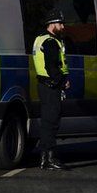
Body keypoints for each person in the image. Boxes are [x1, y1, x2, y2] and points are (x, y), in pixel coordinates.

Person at [33, 9, 69, 170]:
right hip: (51, 86)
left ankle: (45, 158)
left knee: (48, 122)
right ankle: (48, 158)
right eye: (60, 23)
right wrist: (62, 81)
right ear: (52, 24)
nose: (62, 26)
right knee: (51, 123)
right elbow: (51, 66)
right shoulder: (50, 42)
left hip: (44, 85)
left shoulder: (40, 39)